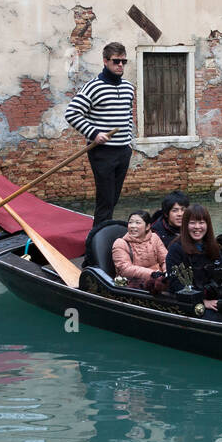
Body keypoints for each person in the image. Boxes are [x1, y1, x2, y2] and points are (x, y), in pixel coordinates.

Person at [65, 42, 135, 226]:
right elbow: (71, 113)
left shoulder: (128, 88)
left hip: (123, 150)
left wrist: (130, 143)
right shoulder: (93, 87)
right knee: (105, 199)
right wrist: (94, 133)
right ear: (105, 61)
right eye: (116, 61)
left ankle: (104, 232)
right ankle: (97, 241)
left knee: (113, 197)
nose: (120, 65)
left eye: (123, 61)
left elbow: (129, 115)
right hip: (102, 151)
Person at [165, 203, 222, 310]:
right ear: (185, 225)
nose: (197, 227)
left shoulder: (213, 247)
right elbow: (177, 284)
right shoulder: (176, 249)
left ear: (207, 225)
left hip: (214, 298)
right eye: (192, 223)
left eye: (201, 223)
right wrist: (202, 301)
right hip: (188, 304)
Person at [111, 211, 168, 293]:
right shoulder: (121, 243)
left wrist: (166, 271)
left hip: (159, 279)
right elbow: (125, 269)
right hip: (133, 284)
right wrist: (152, 274)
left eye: (138, 223)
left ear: (147, 226)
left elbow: (165, 258)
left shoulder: (154, 238)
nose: (133, 226)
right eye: (130, 223)